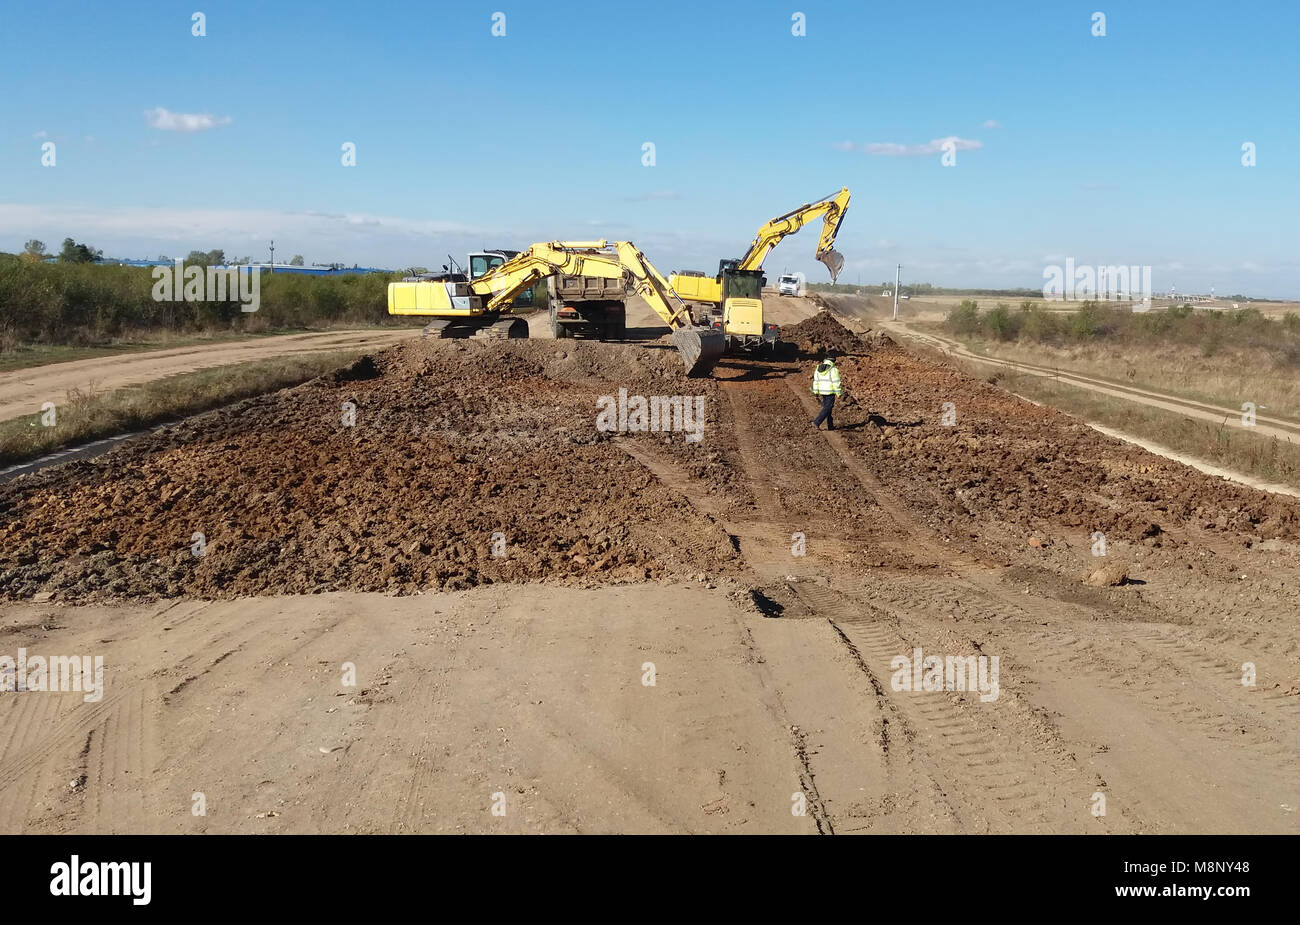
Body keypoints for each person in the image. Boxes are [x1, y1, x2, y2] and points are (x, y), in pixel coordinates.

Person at [810, 352, 843, 430]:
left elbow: (816, 381)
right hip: (830, 392)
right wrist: (838, 392)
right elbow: (836, 382)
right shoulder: (833, 370)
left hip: (822, 391)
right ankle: (817, 422)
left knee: (828, 408)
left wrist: (816, 391)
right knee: (828, 408)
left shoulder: (818, 368)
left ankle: (830, 425)